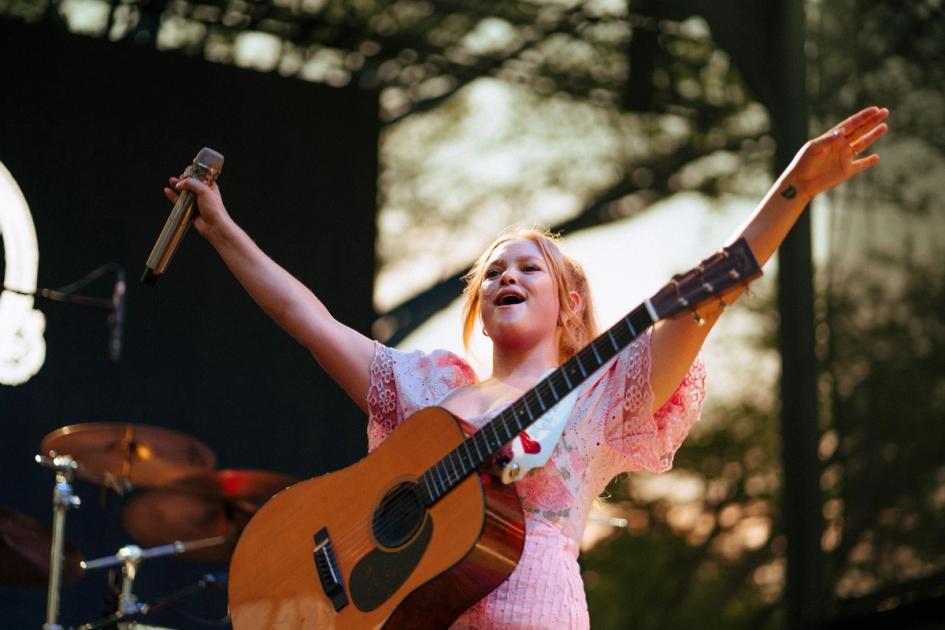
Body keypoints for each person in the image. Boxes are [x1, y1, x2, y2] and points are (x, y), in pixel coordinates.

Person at [166, 106, 888, 628]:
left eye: (528, 268)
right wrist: (222, 230)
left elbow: (703, 303)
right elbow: (310, 321)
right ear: (481, 309)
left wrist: (791, 190)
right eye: (493, 271)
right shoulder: (431, 389)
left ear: (570, 304)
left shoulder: (605, 392)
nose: (506, 276)